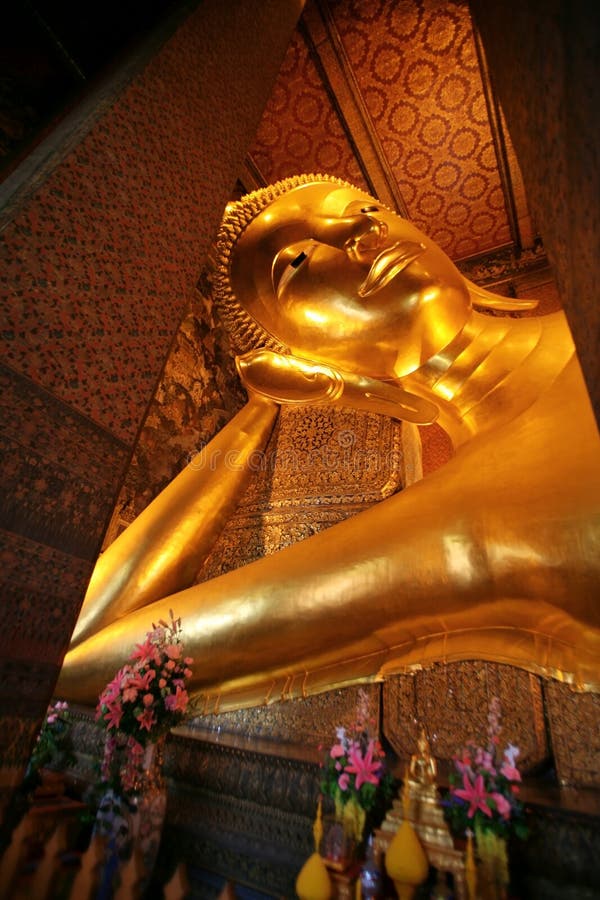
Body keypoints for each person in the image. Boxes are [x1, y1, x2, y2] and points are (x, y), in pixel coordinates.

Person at [57, 174, 600, 711]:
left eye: (359, 206)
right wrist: (263, 406)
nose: (355, 230)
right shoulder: (470, 519)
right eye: (295, 262)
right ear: (300, 366)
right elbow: (76, 652)